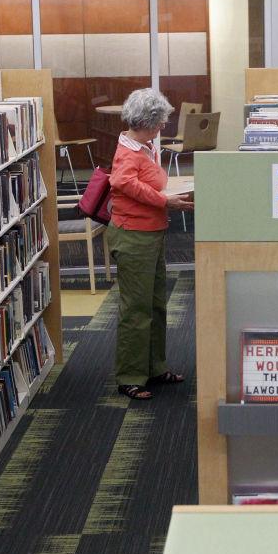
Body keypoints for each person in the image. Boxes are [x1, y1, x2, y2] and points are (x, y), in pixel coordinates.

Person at [105, 88, 194, 400]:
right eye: (160, 122)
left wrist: (168, 196)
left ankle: (154, 367)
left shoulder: (144, 147)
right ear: (147, 121)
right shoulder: (127, 151)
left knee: (156, 304)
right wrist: (164, 201)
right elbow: (122, 183)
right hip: (134, 236)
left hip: (151, 233)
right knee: (136, 309)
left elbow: (148, 181)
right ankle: (130, 376)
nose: (162, 128)